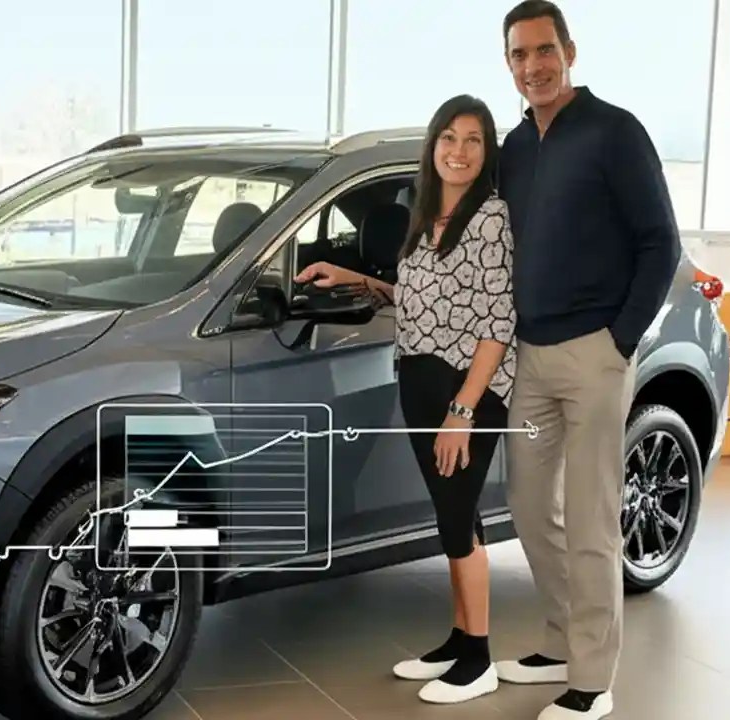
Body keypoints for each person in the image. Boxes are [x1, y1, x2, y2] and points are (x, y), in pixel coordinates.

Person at [491, 3, 682, 719]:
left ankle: (594, 680)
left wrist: (621, 339)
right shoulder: (514, 147)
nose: (533, 66)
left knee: (596, 517)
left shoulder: (615, 132)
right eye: (519, 54)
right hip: (531, 358)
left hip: (595, 354)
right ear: (508, 63)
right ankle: (558, 639)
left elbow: (659, 242)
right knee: (532, 507)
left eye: (544, 50)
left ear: (569, 51)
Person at [295, 94, 517, 706]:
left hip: (463, 389)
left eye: (473, 140)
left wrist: (463, 412)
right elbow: (422, 299)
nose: (459, 150)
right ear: (433, 146)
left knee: (456, 516)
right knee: (456, 514)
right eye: (449, 137)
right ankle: (459, 636)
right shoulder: (425, 216)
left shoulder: (490, 217)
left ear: (486, 152)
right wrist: (356, 280)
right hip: (422, 379)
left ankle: (478, 660)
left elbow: (497, 322)